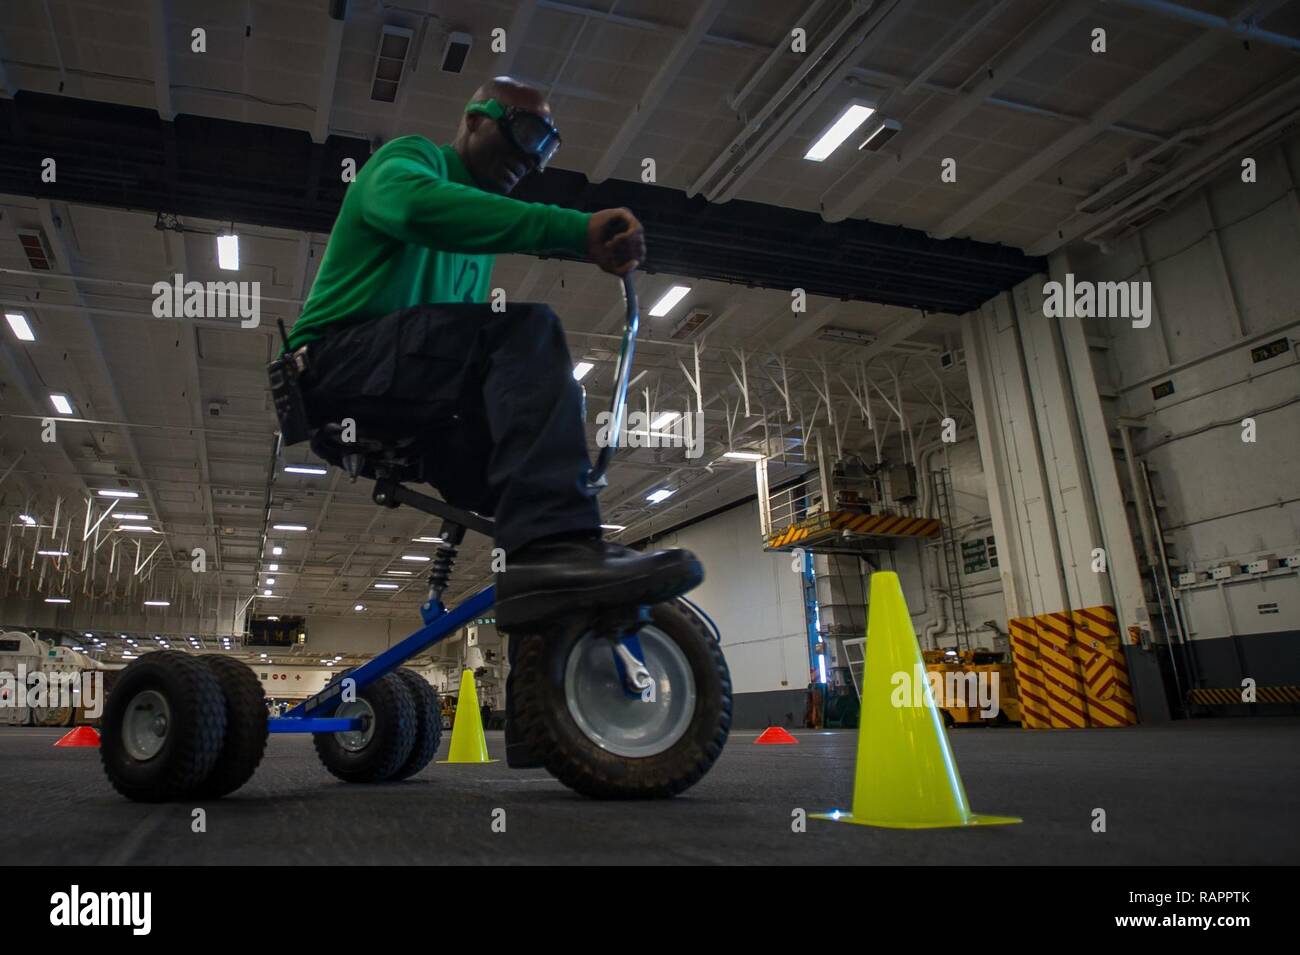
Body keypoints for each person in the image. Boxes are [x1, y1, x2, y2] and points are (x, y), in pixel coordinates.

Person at [286, 76, 701, 766]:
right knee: (525, 328)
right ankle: (560, 550)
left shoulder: (472, 253)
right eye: (527, 134)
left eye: (548, 149)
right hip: (337, 367)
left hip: (416, 397)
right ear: (477, 120)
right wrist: (571, 231)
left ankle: (549, 711)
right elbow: (424, 213)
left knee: (538, 522)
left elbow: (456, 361)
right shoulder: (407, 164)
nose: (533, 159)